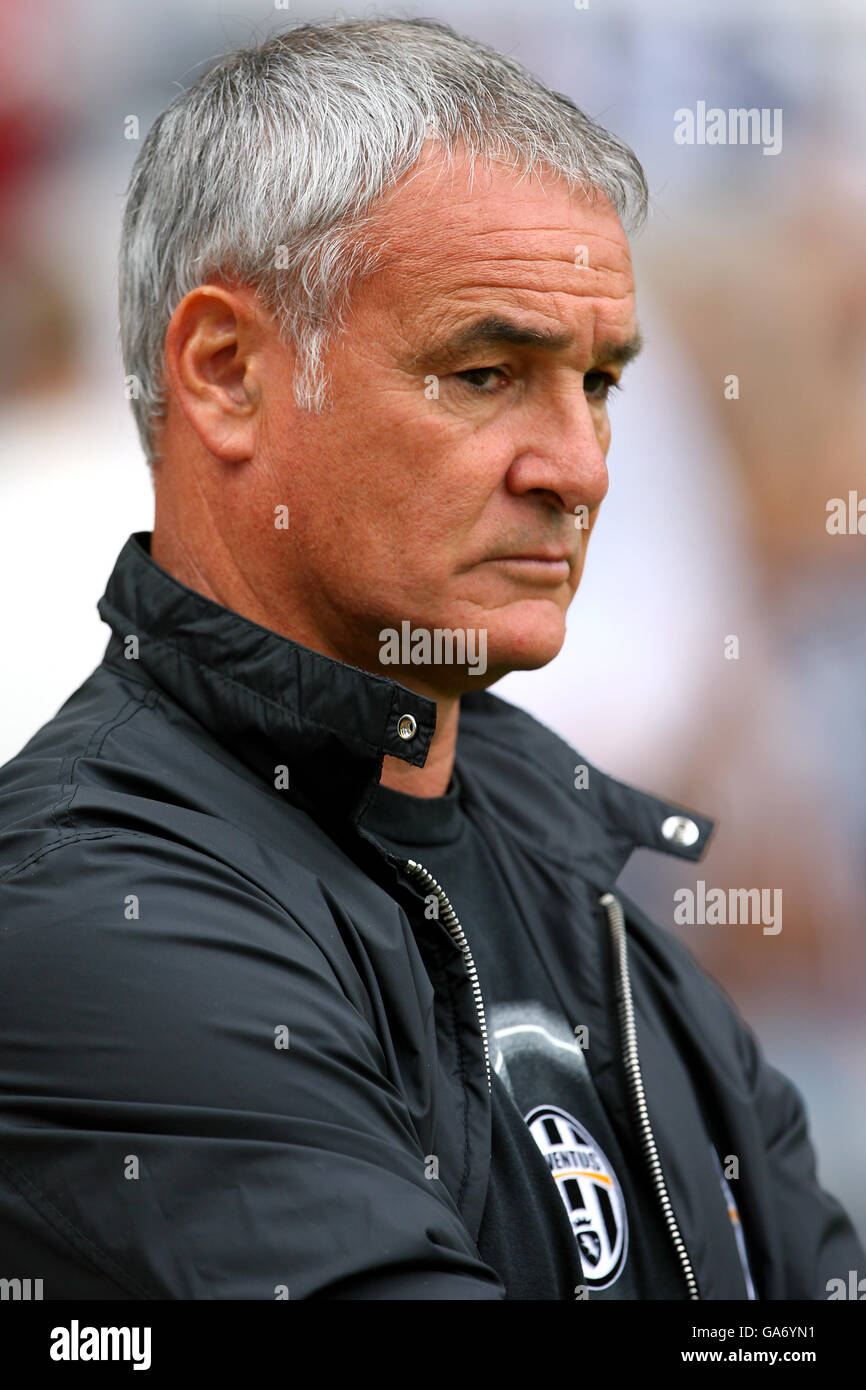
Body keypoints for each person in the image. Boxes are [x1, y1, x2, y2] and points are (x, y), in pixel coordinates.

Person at [0, 16, 862, 1301]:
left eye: (599, 385)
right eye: (482, 372)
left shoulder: (573, 863)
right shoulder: (82, 908)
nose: (576, 468)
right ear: (227, 374)